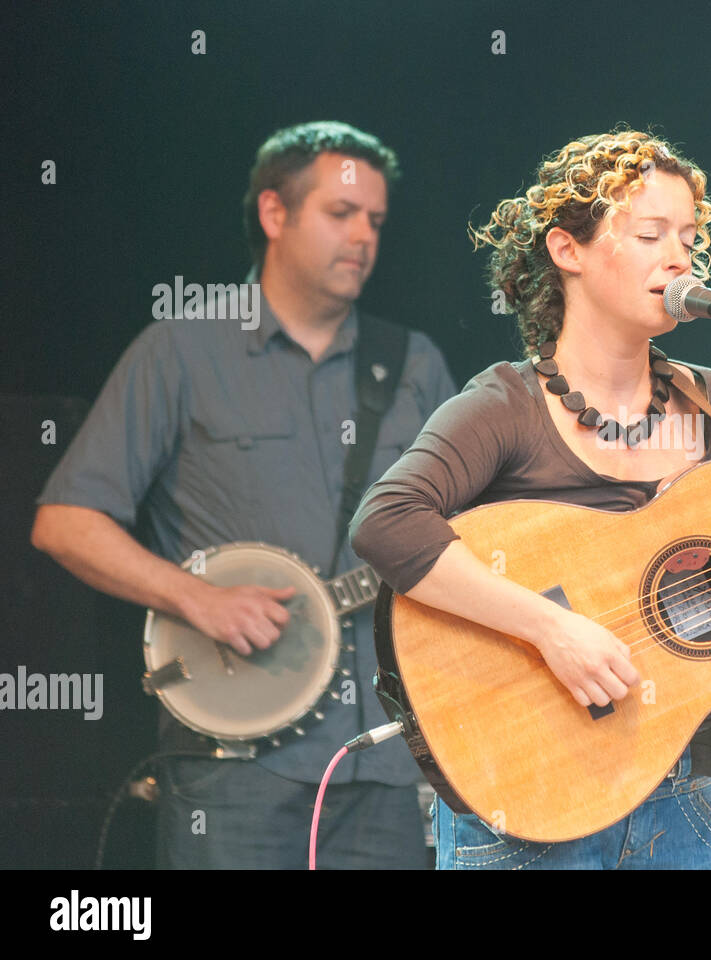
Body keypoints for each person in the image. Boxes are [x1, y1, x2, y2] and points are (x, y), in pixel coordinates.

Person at [349, 127, 711, 869]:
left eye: (689, 238)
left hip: (686, 802)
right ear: (567, 250)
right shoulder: (503, 404)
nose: (679, 257)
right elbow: (386, 523)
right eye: (649, 233)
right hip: (526, 804)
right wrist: (552, 629)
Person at [30, 121, 458, 869]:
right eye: (341, 213)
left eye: (376, 221)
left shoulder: (413, 364)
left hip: (390, 767)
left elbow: (468, 535)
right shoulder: (181, 350)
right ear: (274, 214)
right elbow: (66, 521)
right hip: (234, 767)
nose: (363, 236)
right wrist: (195, 598)